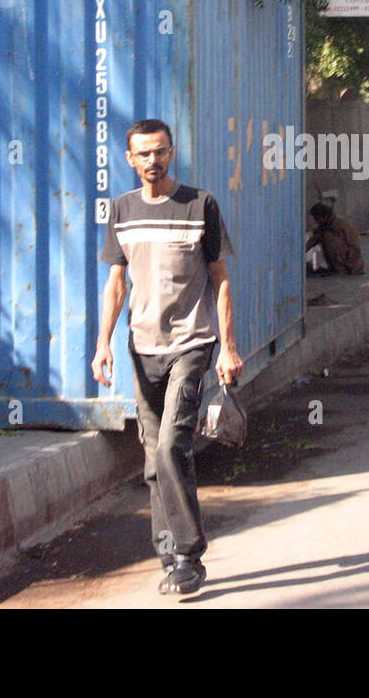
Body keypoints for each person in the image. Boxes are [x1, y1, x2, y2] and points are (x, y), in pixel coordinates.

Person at [92, 118, 243, 597]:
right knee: (154, 458)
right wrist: (102, 344)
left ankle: (188, 555)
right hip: (142, 349)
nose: (152, 160)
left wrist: (228, 347)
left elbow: (220, 279)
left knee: (170, 446)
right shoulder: (122, 209)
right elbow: (116, 284)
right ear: (130, 159)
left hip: (191, 344)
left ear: (171, 152)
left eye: (160, 151)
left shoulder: (200, 204)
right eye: (143, 153)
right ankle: (170, 554)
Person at [306, 202, 365, 275]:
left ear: (324, 216)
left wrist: (349, 267)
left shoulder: (338, 226)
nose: (316, 222)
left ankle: (340, 269)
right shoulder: (325, 226)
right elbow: (312, 241)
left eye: (317, 219)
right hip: (348, 262)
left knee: (327, 237)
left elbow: (354, 248)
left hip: (350, 264)